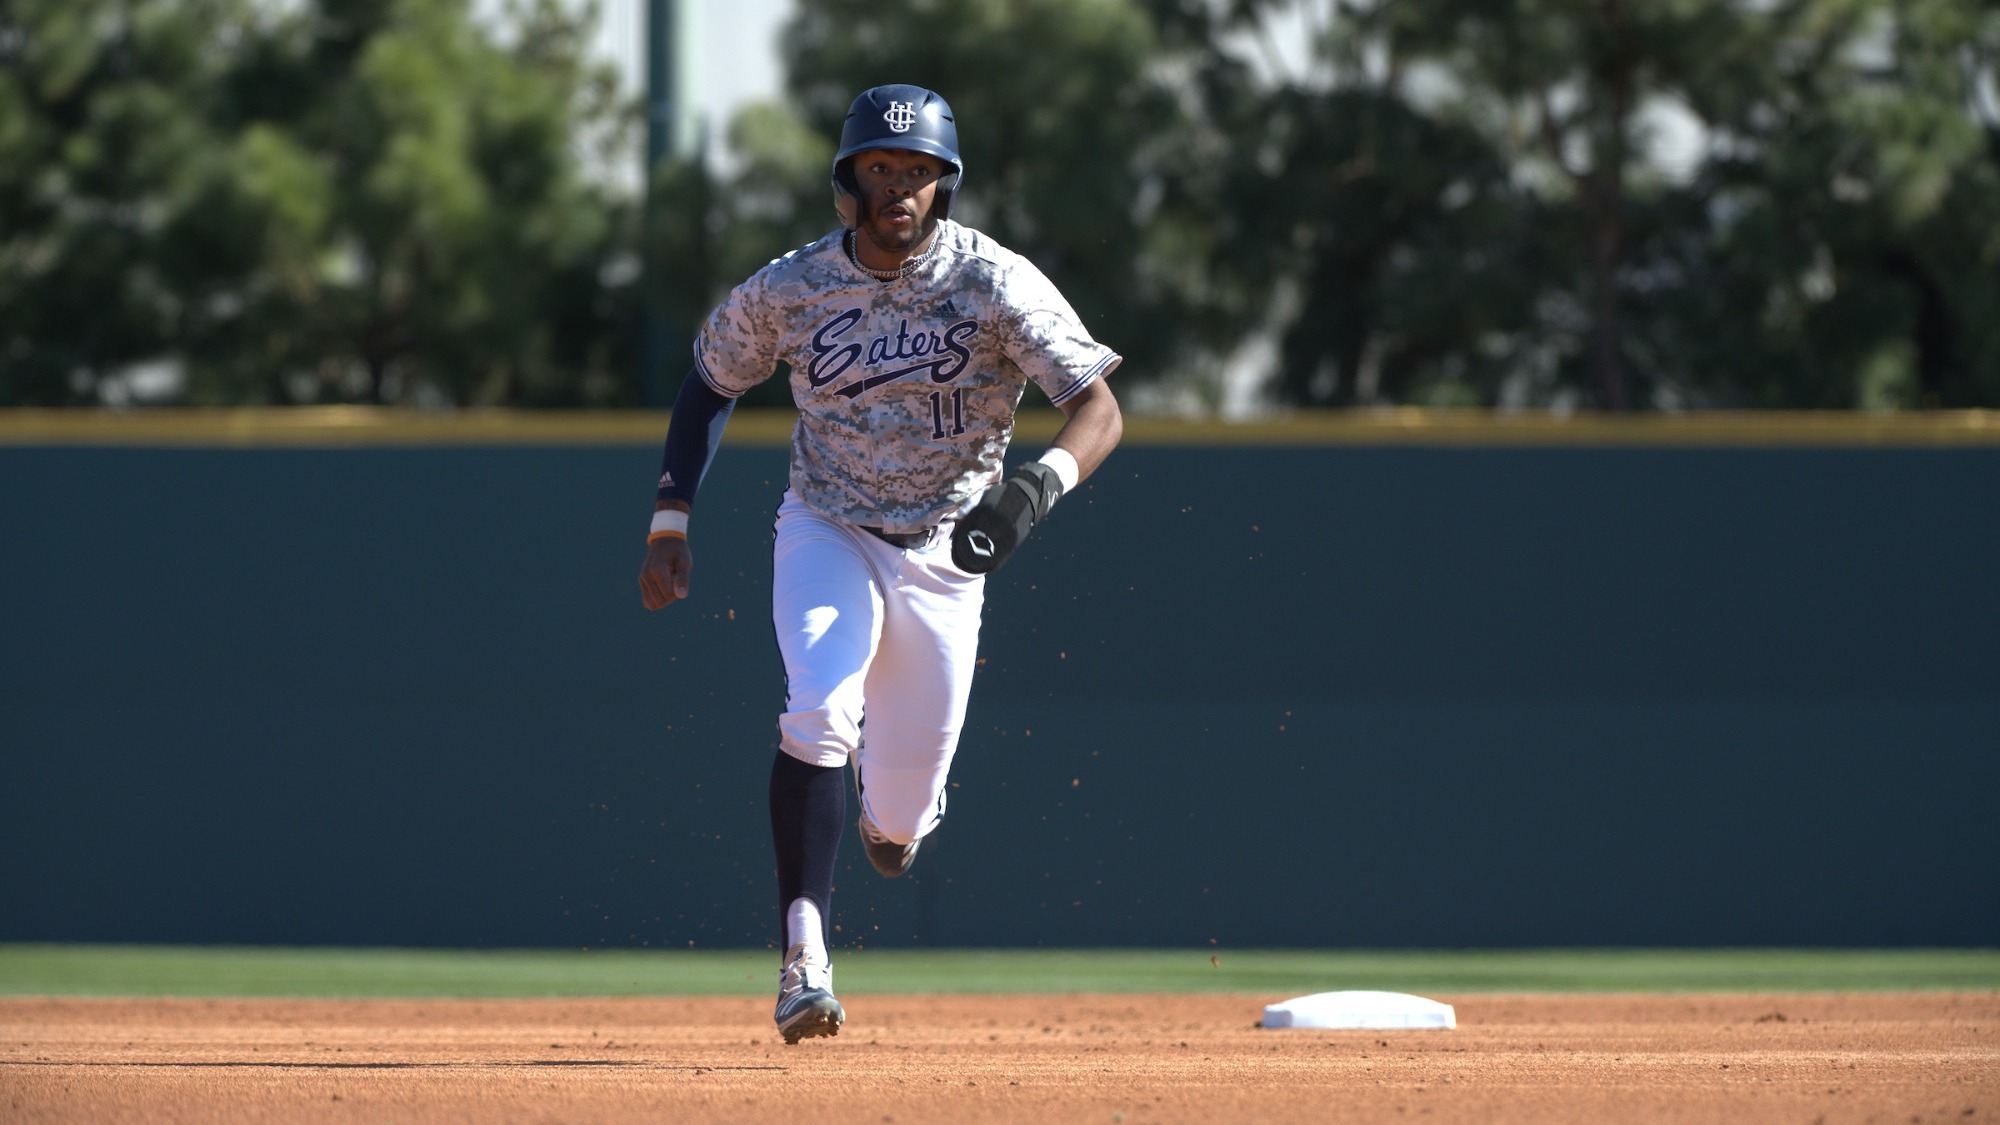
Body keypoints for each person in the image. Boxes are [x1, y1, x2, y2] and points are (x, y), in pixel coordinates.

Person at [637, 84, 1123, 1045]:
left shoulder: (994, 282)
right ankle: (803, 957)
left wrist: (1031, 493)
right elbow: (707, 384)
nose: (900, 189)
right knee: (818, 706)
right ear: (847, 184)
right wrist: (670, 515)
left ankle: (892, 814)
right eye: (881, 170)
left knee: (895, 827)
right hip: (829, 525)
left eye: (920, 173)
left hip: (948, 551)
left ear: (945, 186)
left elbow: (1099, 409)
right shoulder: (794, 286)